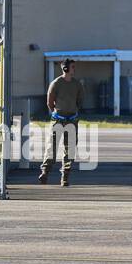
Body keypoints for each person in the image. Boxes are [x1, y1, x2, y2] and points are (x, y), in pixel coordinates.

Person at [39, 59, 85, 187]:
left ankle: (65, 177)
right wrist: (57, 112)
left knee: (69, 150)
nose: (74, 69)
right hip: (58, 120)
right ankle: (45, 172)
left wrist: (73, 111)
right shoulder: (56, 83)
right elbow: (50, 101)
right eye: (73, 67)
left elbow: (80, 101)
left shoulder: (77, 84)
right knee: (51, 148)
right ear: (65, 69)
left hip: (72, 120)